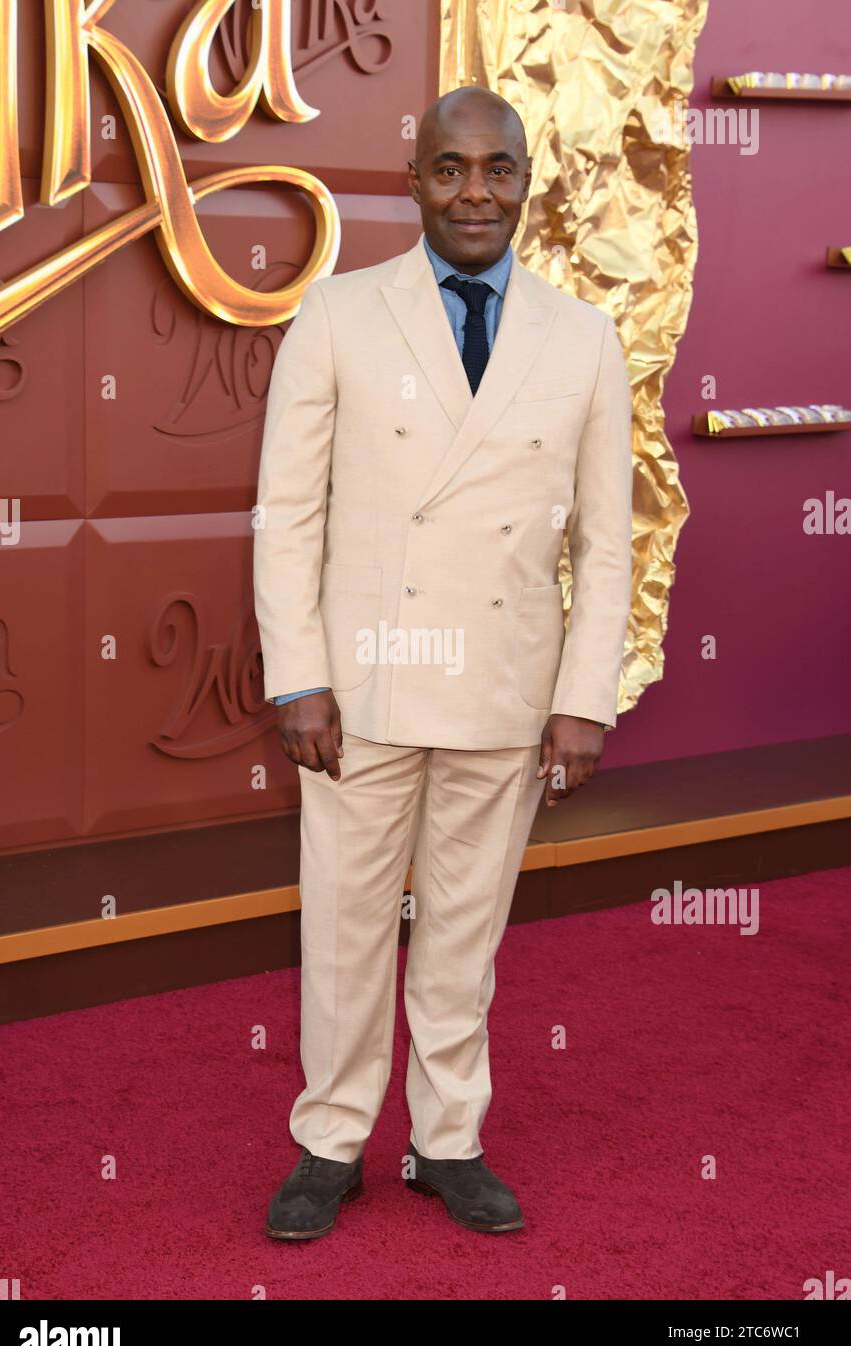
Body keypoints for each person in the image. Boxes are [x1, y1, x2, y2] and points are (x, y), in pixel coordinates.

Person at [253, 85, 633, 1239]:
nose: (478, 191)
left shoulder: (585, 335)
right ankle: (330, 1141)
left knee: (465, 931)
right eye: (451, 169)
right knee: (346, 924)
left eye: (499, 170)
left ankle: (446, 1141)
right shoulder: (338, 312)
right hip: (360, 689)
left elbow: (607, 539)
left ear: (528, 180)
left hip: (504, 691)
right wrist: (297, 676)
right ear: (414, 179)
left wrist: (581, 698)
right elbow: (286, 514)